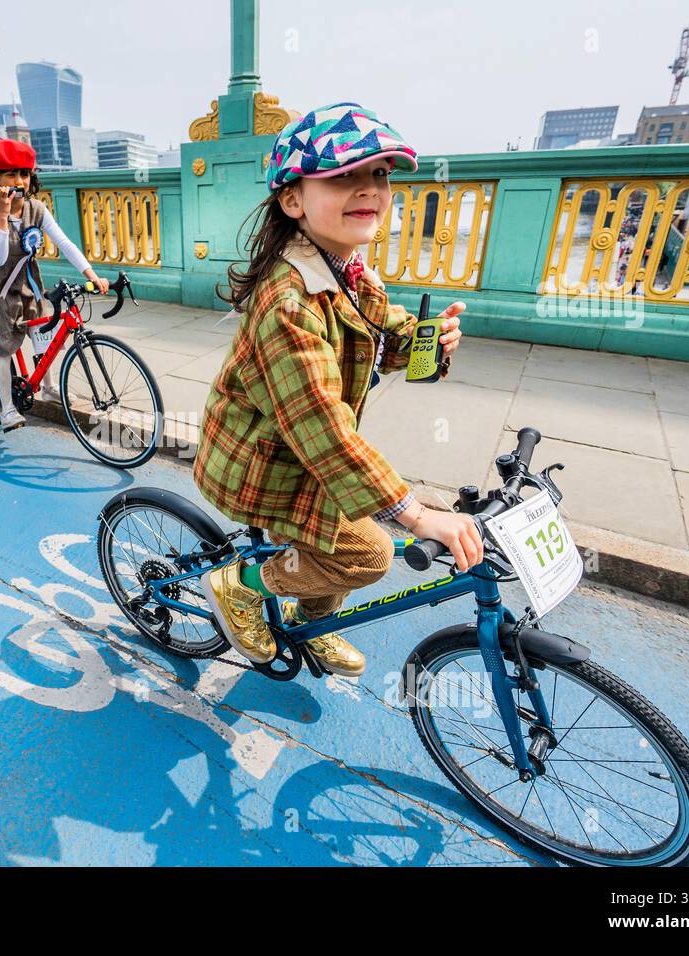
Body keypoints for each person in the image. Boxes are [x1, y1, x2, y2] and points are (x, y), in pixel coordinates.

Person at [193, 102, 483, 678]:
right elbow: (323, 428)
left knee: (338, 542)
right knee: (367, 553)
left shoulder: (349, 269)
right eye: (343, 175)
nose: (369, 188)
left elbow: (380, 335)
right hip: (265, 463)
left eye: (379, 174)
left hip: (304, 454)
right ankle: (239, 583)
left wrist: (429, 342)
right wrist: (416, 515)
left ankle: (309, 620)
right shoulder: (288, 303)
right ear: (293, 200)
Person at [0, 138, 108, 432]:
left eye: (24, 174)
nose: (20, 181)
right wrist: (2, 214)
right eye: (11, 174)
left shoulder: (36, 209)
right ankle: (7, 409)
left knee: (42, 333)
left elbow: (63, 242)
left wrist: (91, 273)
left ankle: (49, 388)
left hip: (28, 281)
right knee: (3, 349)